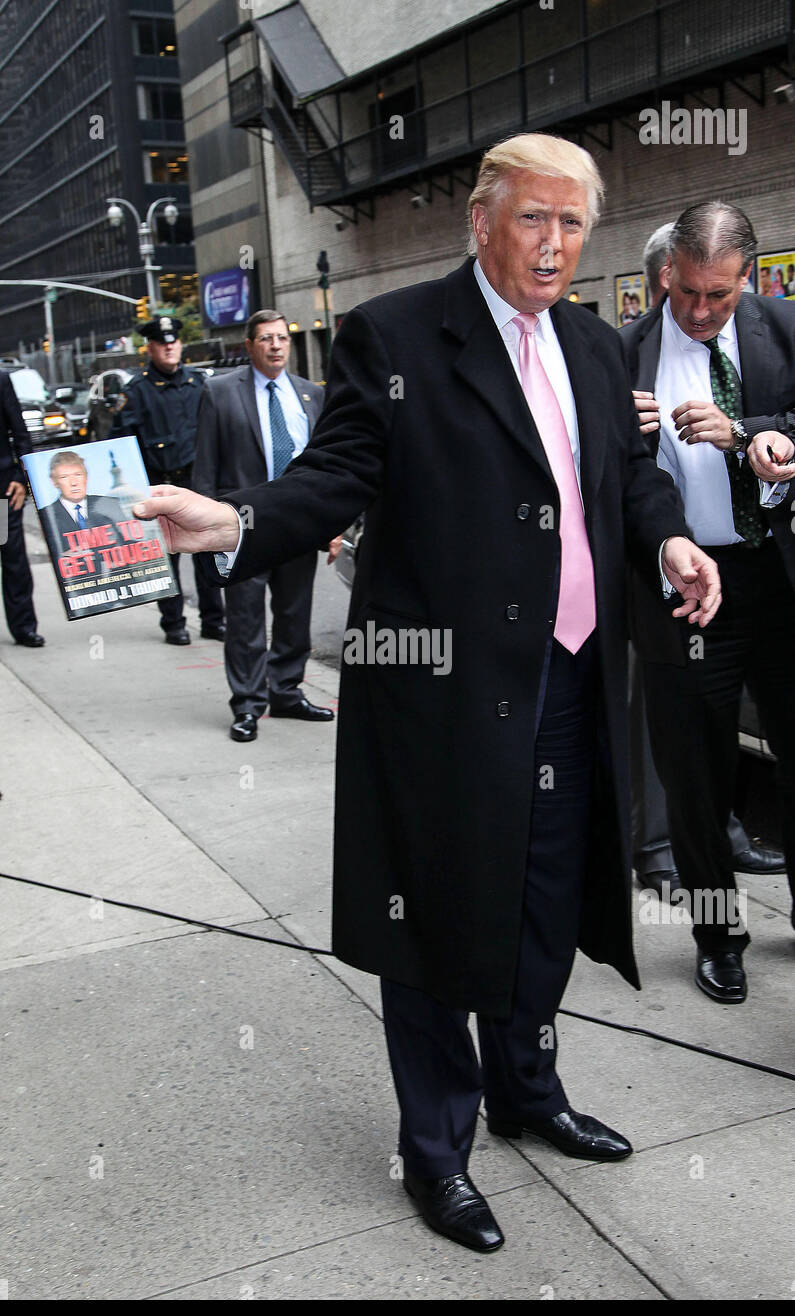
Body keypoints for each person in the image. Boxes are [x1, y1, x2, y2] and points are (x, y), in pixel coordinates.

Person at [135, 133, 720, 1253]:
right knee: (438, 917)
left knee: (547, 903)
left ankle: (527, 1090)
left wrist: (676, 542)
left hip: (571, 677)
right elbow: (339, 471)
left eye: (573, 225)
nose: (555, 246)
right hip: (446, 691)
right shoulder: (395, 334)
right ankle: (438, 1149)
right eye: (534, 220)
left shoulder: (598, 350)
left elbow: (629, 477)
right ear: (483, 219)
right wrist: (241, 521)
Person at [621, 201, 795, 1006]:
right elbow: (591, 477)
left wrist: (759, 434)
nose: (697, 311)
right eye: (685, 291)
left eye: (716, 296)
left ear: (746, 279)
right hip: (683, 588)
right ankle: (717, 936)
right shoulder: (622, 354)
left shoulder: (784, 329)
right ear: (666, 273)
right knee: (695, 775)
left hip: (778, 578)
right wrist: (613, 435)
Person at [193, 310, 336, 740]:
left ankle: (287, 693)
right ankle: (248, 705)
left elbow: (328, 465)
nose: (276, 345)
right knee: (245, 619)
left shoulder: (311, 395)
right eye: (266, 339)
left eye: (282, 338)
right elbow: (205, 467)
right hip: (242, 528)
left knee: (294, 617)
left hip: (297, 525)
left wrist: (331, 523)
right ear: (250, 345)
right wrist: (205, 528)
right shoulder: (219, 393)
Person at [115, 315, 225, 646]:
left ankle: (213, 621)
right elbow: (122, 443)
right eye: (162, 343)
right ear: (150, 348)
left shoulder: (198, 384)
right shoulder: (136, 391)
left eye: (174, 341)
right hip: (159, 485)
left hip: (196, 483)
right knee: (167, 560)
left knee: (208, 553)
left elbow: (215, 433)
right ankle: (174, 623)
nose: (169, 347)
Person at [0, 368, 44, 647]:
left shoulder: (1, 380)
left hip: (2, 493)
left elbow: (21, 433)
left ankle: (24, 627)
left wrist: (20, 477)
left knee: (13, 561)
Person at [39, 449, 122, 554]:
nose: (74, 483)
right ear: (54, 482)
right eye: (64, 477)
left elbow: (128, 543)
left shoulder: (110, 504)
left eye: (78, 475)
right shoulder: (46, 515)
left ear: (86, 477)